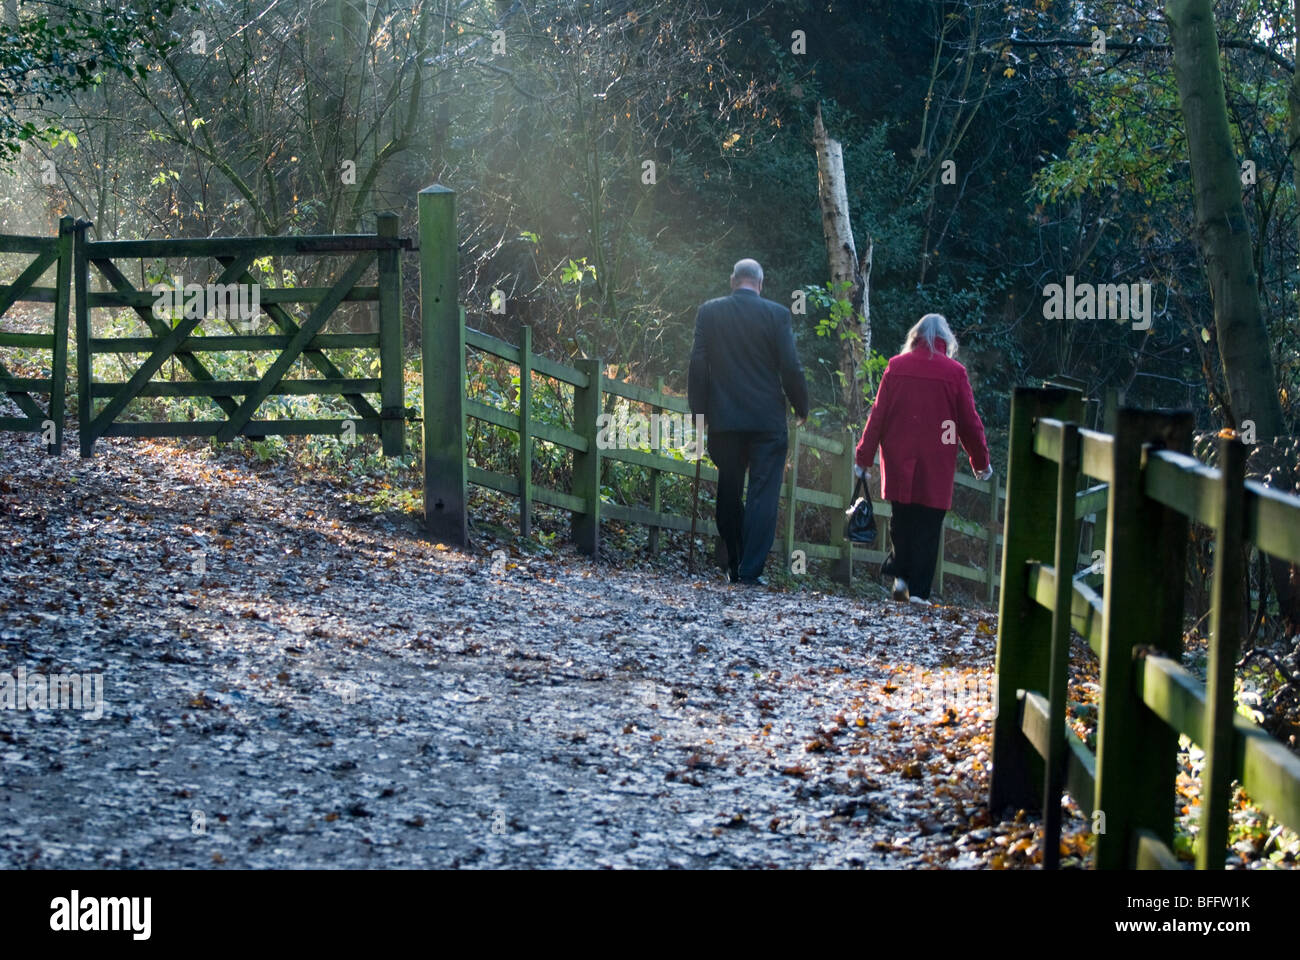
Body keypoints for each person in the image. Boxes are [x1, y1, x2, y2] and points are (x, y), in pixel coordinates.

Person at [854, 313, 991, 603]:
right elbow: (969, 423)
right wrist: (980, 461)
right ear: (945, 340)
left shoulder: (896, 367)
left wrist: (863, 456)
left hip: (898, 455)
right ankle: (918, 591)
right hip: (937, 462)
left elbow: (877, 416)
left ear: (915, 336)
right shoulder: (955, 373)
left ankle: (901, 575)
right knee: (928, 525)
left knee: (901, 518)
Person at [689, 259, 809, 585]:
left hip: (725, 420)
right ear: (761, 283)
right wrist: (801, 406)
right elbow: (790, 366)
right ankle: (749, 570)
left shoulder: (709, 312)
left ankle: (734, 559)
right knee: (762, 494)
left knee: (729, 487)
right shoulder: (777, 315)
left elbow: (698, 363)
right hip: (766, 422)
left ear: (732, 281)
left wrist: (698, 415)